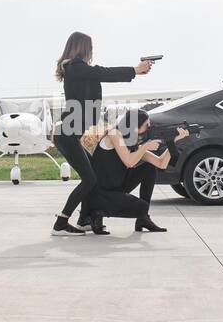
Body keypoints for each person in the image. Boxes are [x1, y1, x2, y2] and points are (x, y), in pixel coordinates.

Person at [51, 32, 153, 236]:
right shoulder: (74, 66)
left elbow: (97, 76)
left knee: (93, 176)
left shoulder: (77, 70)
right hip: (66, 134)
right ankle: (61, 223)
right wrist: (134, 70)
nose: (92, 51)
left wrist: (134, 72)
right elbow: (102, 72)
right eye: (90, 47)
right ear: (81, 47)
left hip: (70, 133)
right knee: (89, 179)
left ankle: (85, 219)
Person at [86, 109, 190, 233]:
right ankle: (97, 212)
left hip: (116, 187)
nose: (149, 127)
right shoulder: (115, 134)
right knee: (141, 207)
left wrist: (172, 141)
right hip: (101, 192)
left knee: (148, 168)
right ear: (135, 125)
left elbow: (161, 164)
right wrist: (146, 146)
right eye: (146, 124)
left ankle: (143, 219)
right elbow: (129, 162)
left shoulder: (133, 144)